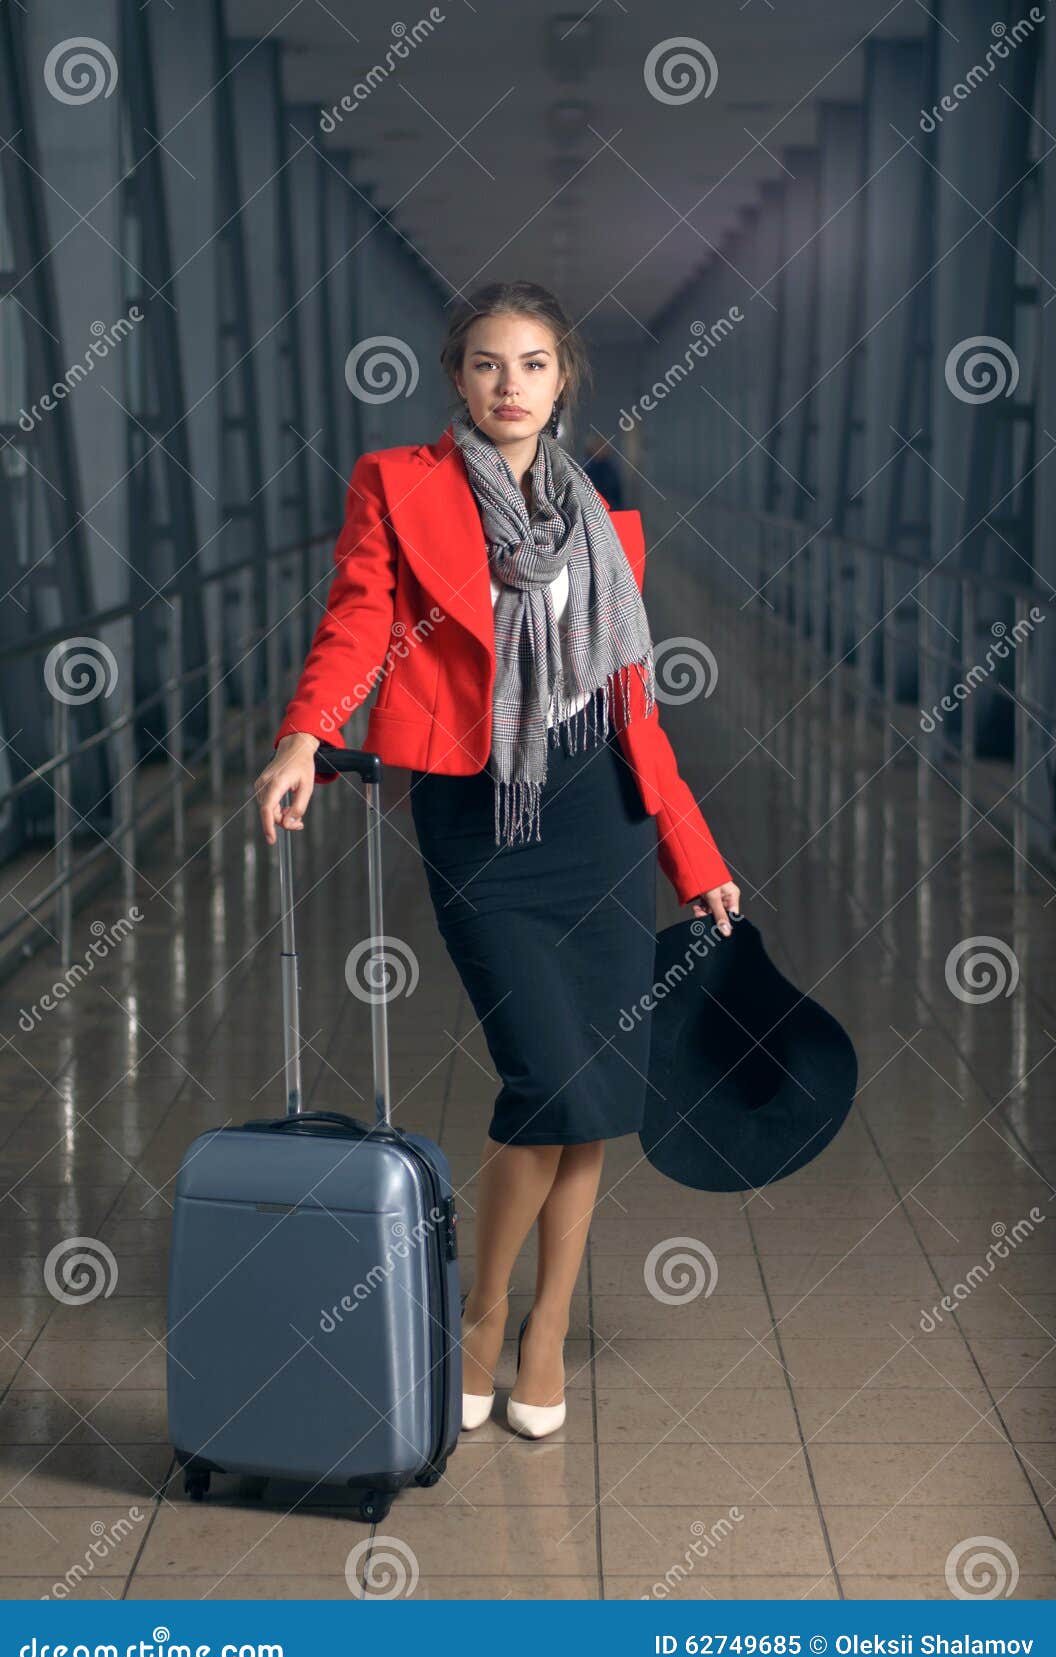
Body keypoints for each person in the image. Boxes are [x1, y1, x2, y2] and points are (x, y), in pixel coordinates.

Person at [255, 279, 740, 1440]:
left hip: (601, 812)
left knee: (597, 1096)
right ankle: (481, 1317)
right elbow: (360, 619)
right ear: (455, 378)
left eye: (530, 363)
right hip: (481, 810)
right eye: (485, 363)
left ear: (562, 378)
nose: (508, 384)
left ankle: (541, 1334)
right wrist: (303, 736)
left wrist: (694, 852)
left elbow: (636, 703)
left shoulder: (604, 513)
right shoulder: (401, 484)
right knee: (547, 1075)